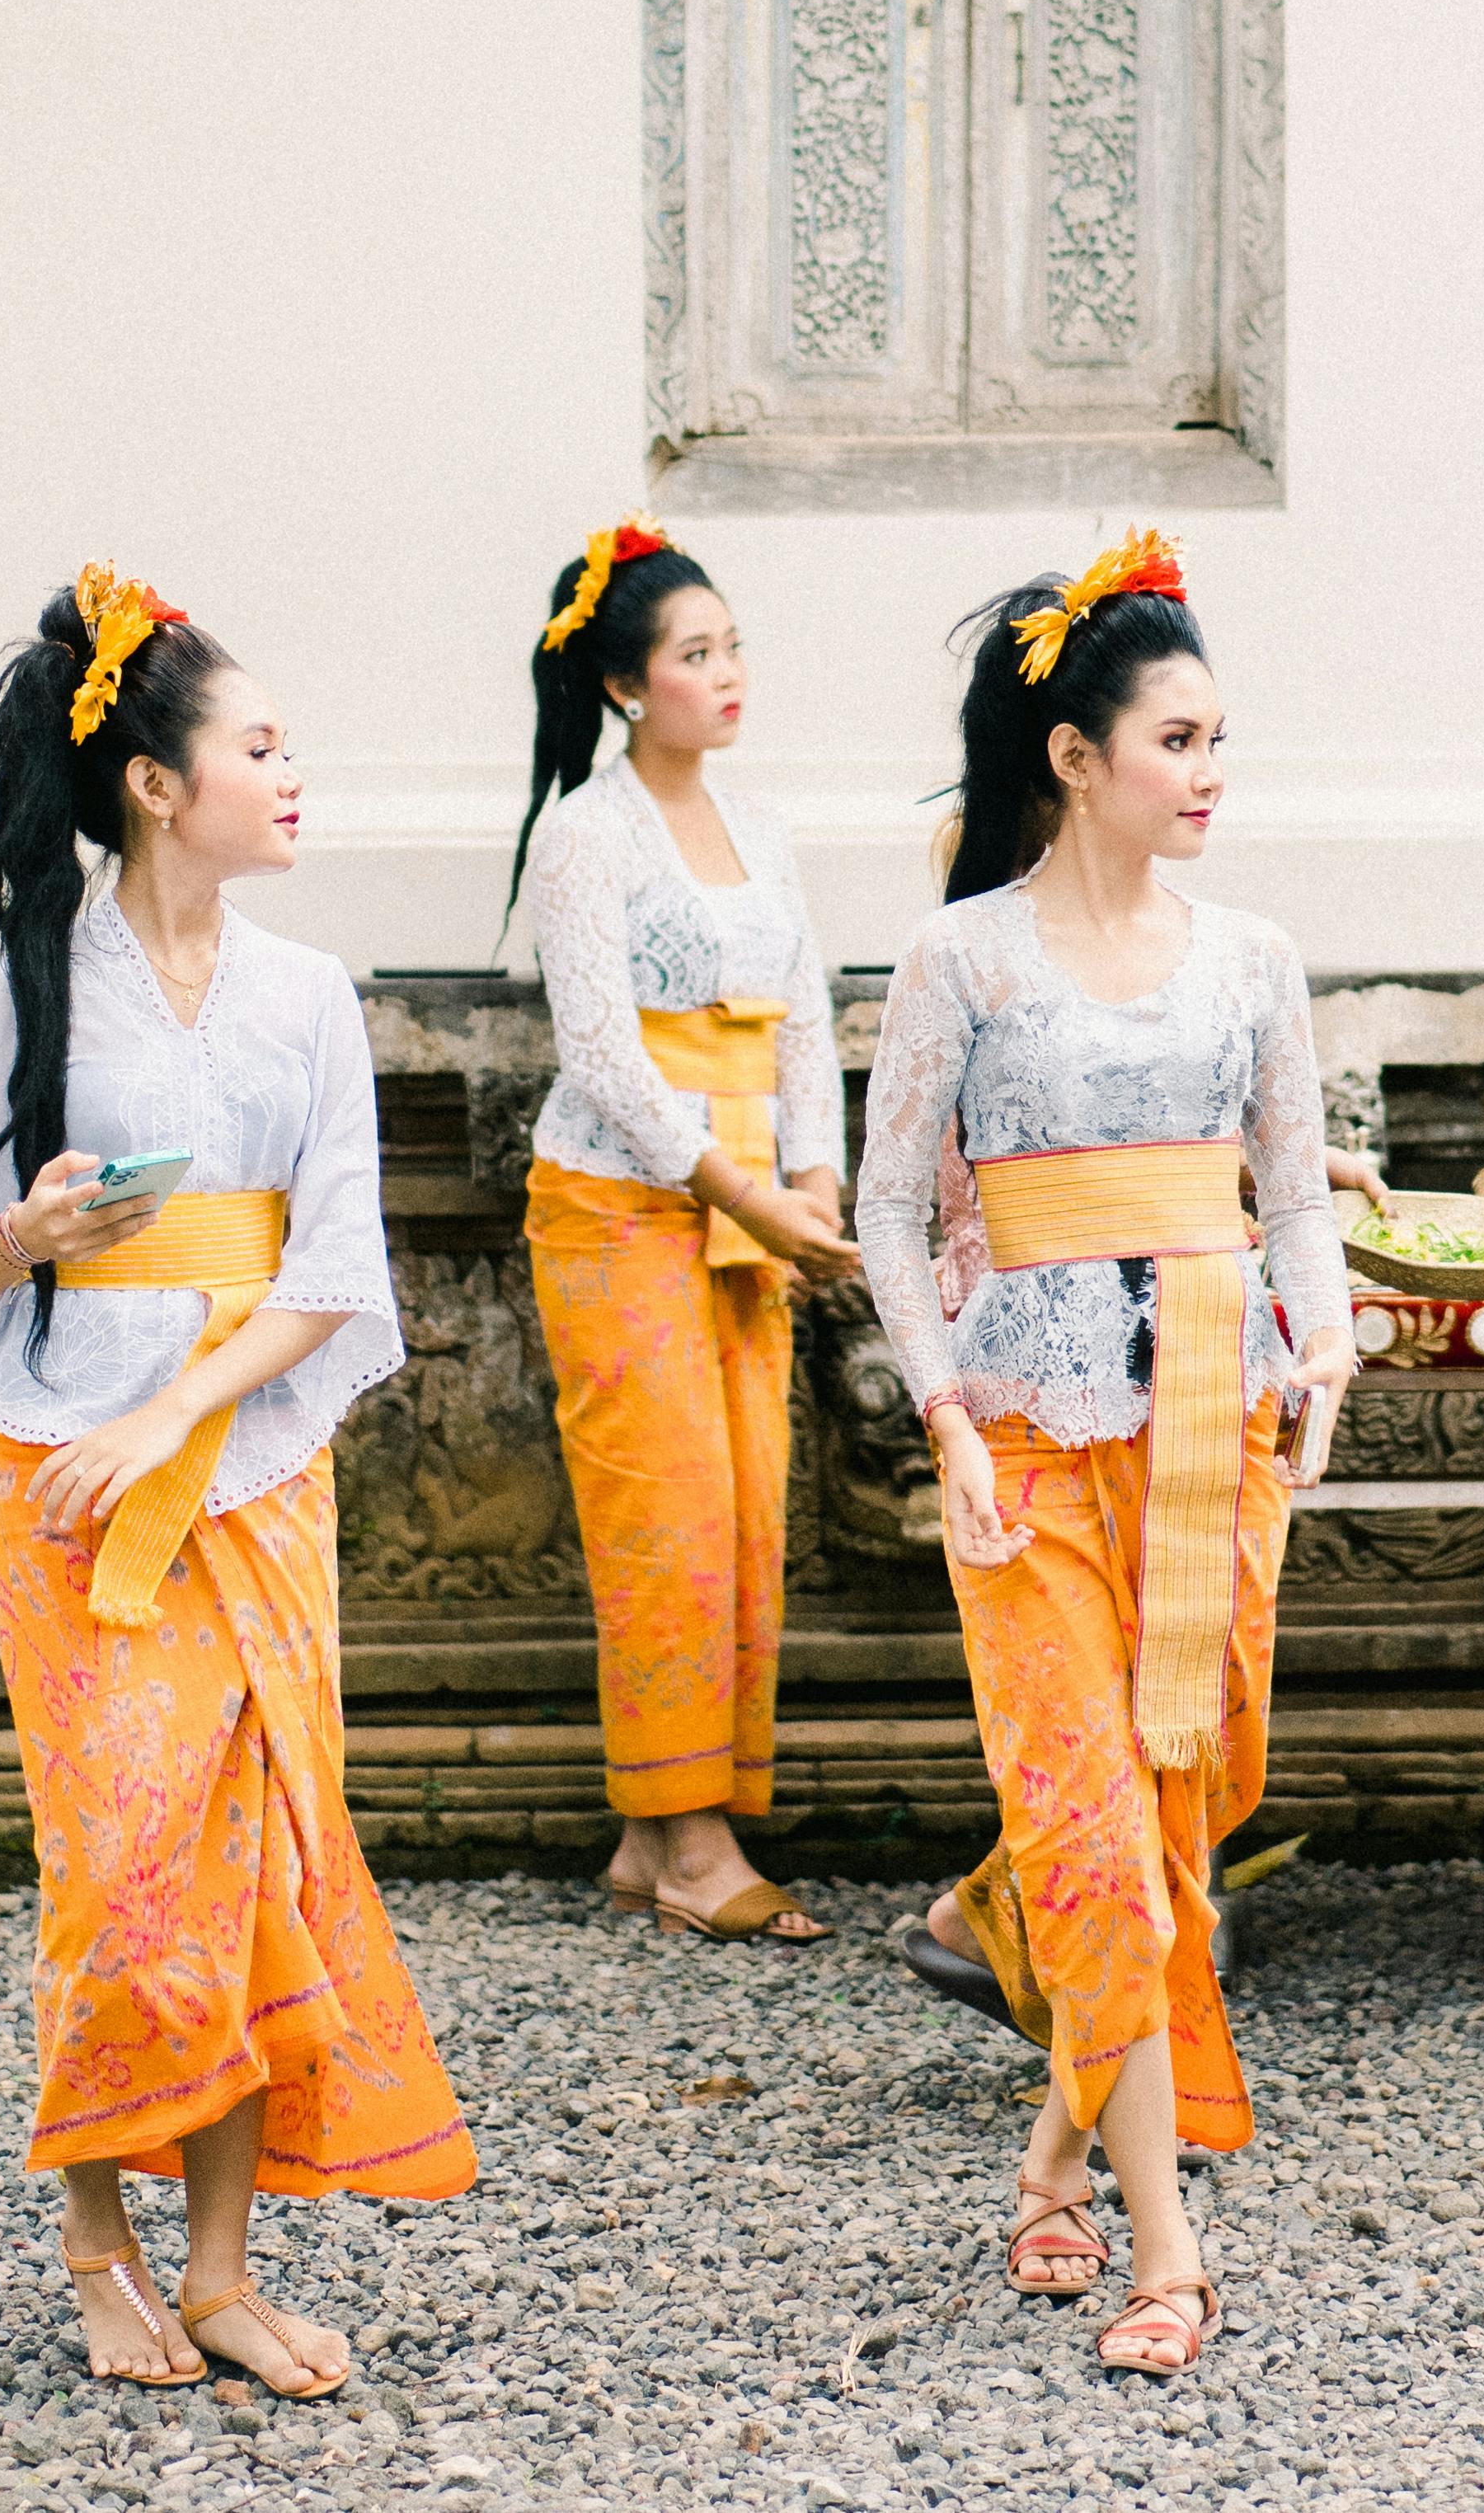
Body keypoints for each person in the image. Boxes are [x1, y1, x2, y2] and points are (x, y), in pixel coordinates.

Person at [0, 568, 472, 2400]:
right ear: (155, 782)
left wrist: (180, 1416)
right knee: (118, 1884)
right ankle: (95, 2240)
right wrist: (21, 1234)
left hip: (250, 1478)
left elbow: (339, 1274)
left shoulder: (310, 996)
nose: (294, 775)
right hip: (63, 1478)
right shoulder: (30, 984)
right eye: (262, 746)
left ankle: (217, 2269)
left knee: (252, 1876)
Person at [853, 533, 1355, 2375]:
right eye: (1180, 738)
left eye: (1221, 737)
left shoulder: (1256, 958)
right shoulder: (957, 957)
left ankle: (1059, 2157)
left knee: (1177, 1820)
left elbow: (1295, 1200)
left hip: (1215, 1433)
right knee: (1084, 1834)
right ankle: (1169, 2246)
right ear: (1075, 756)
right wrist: (941, 1412)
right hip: (1029, 1441)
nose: (1211, 771)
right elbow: (893, 1217)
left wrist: (1330, 1353)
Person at [504, 519, 855, 1944]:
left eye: (733, 647)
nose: (727, 676)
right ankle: (691, 1838)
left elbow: (810, 1015)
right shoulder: (585, 836)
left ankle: (664, 1834)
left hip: (750, 1200)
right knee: (663, 1513)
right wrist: (744, 1189)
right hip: (622, 1202)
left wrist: (816, 1178)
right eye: (695, 655)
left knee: (743, 1503)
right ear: (624, 685)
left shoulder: (761, 831)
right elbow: (600, 1051)